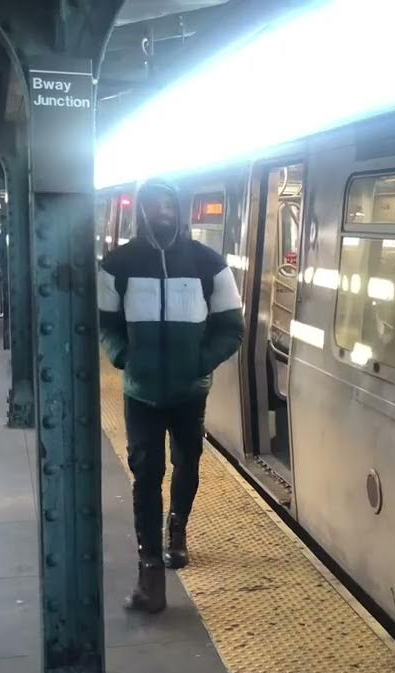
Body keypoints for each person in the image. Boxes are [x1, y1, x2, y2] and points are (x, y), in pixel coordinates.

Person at [98, 178, 245, 614]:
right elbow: (106, 324)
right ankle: (149, 573)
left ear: (180, 210)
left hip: (189, 391)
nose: (161, 212)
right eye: (153, 205)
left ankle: (177, 530)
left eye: (168, 205)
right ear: (140, 211)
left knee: (187, 462)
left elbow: (232, 327)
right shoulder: (118, 264)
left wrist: (200, 363)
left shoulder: (208, 263)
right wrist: (125, 357)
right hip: (141, 392)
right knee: (146, 476)